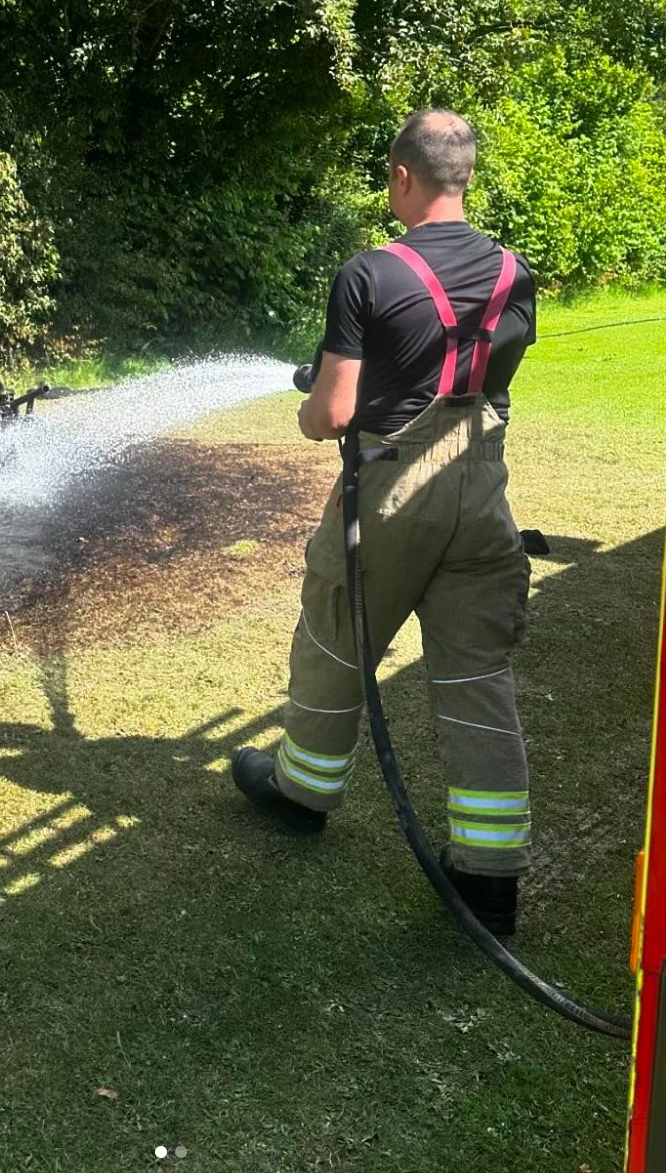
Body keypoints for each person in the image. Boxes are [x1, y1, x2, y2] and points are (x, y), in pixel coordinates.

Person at [230, 108, 538, 935]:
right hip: (481, 490)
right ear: (463, 176)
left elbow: (332, 414)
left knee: (336, 638)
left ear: (403, 176)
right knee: (476, 674)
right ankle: (490, 878)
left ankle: (302, 792)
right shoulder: (516, 271)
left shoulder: (369, 273)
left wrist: (313, 403)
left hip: (394, 494)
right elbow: (473, 371)